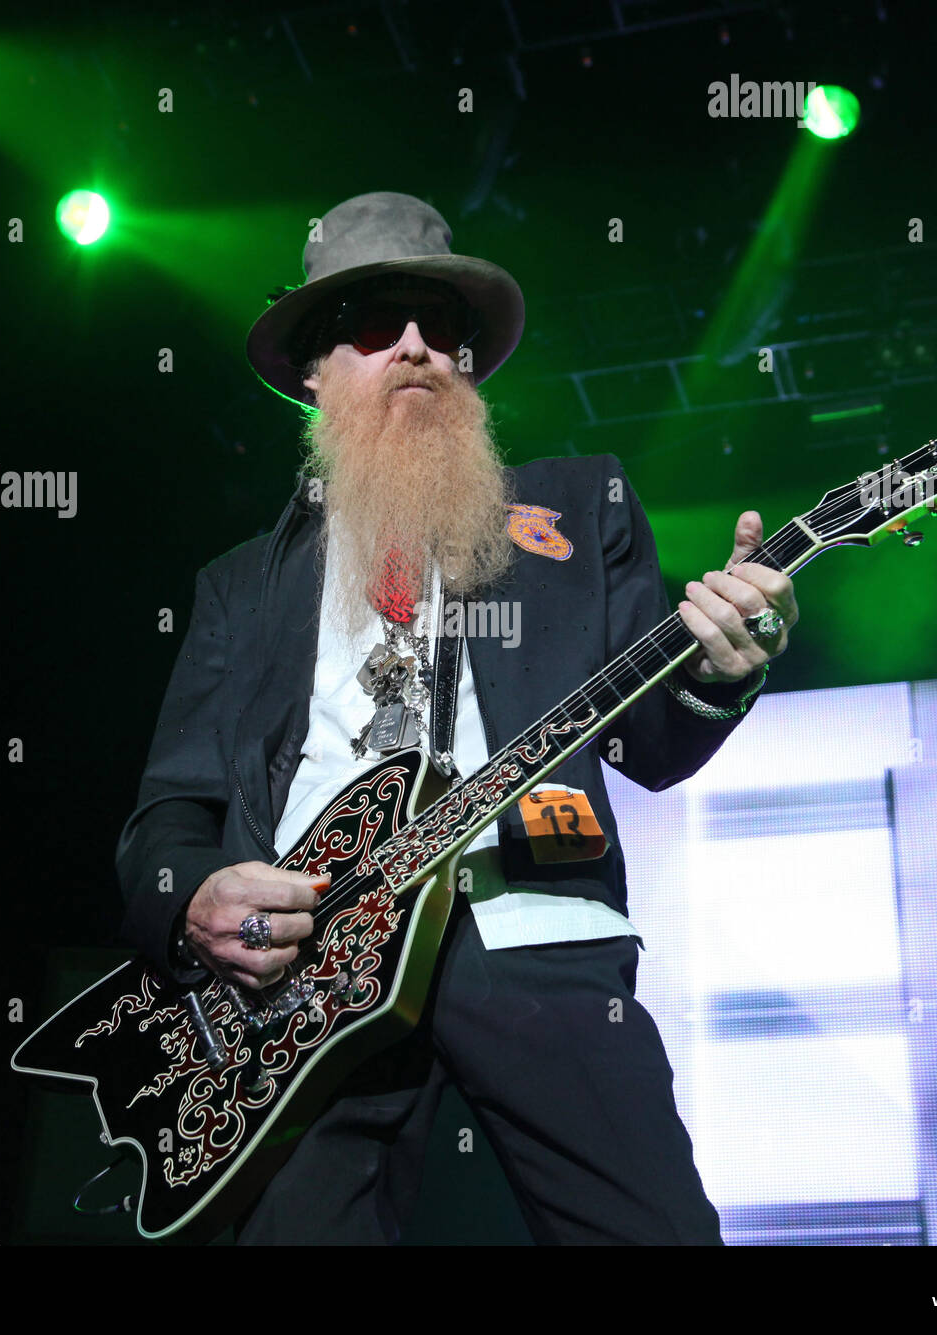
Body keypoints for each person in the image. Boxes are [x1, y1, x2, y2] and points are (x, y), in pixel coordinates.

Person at [115, 191, 799, 1245]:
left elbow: (649, 745)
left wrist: (722, 668)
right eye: (374, 326)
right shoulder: (239, 586)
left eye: (443, 329)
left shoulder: (576, 511)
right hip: (298, 984)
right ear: (312, 369)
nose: (417, 350)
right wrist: (195, 896)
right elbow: (167, 817)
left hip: (531, 927)